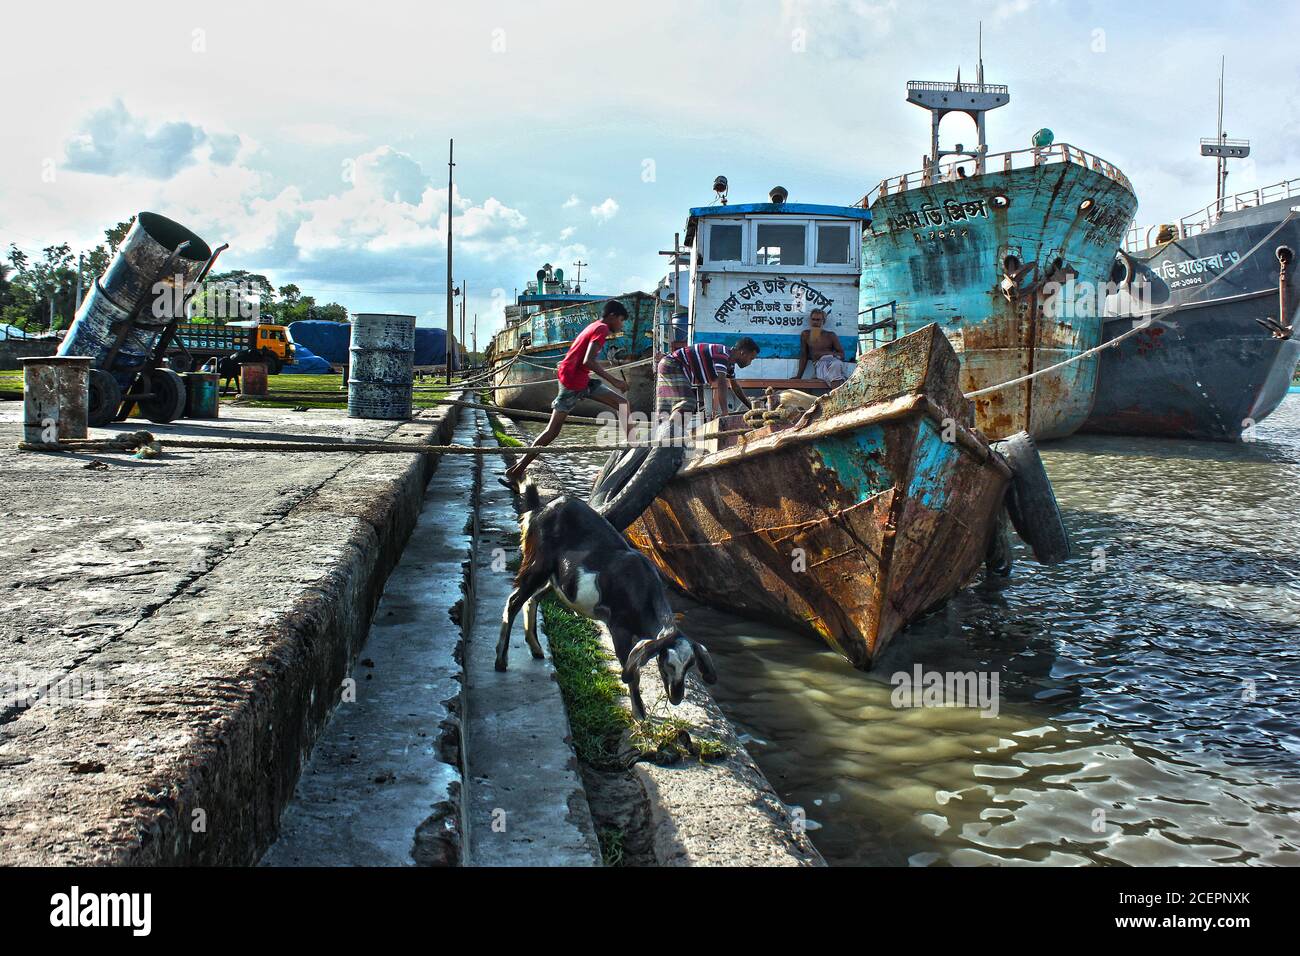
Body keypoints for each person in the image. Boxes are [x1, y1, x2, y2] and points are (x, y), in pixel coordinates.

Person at [503, 300, 634, 486]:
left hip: (579, 379)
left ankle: (633, 447)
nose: (621, 325)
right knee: (552, 431)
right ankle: (516, 470)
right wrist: (615, 381)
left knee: (623, 404)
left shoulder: (595, 326)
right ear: (612, 316)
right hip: (573, 382)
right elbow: (588, 361)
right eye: (621, 320)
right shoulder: (602, 329)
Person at [656, 337, 759, 423]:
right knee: (687, 402)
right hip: (673, 365)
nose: (749, 363)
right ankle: (670, 433)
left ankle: (663, 440)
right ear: (743, 353)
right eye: (751, 358)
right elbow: (722, 383)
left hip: (668, 365)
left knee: (666, 410)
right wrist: (725, 413)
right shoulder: (722, 354)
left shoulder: (729, 365)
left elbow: (735, 387)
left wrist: (751, 407)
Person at [795, 309, 853, 390]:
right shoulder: (806, 334)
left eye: (818, 320)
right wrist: (799, 376)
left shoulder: (830, 335)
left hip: (833, 363)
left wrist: (825, 353)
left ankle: (835, 394)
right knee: (836, 375)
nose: (815, 322)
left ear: (823, 321)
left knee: (836, 364)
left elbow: (842, 355)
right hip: (819, 364)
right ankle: (836, 393)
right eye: (813, 319)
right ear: (810, 320)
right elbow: (804, 355)